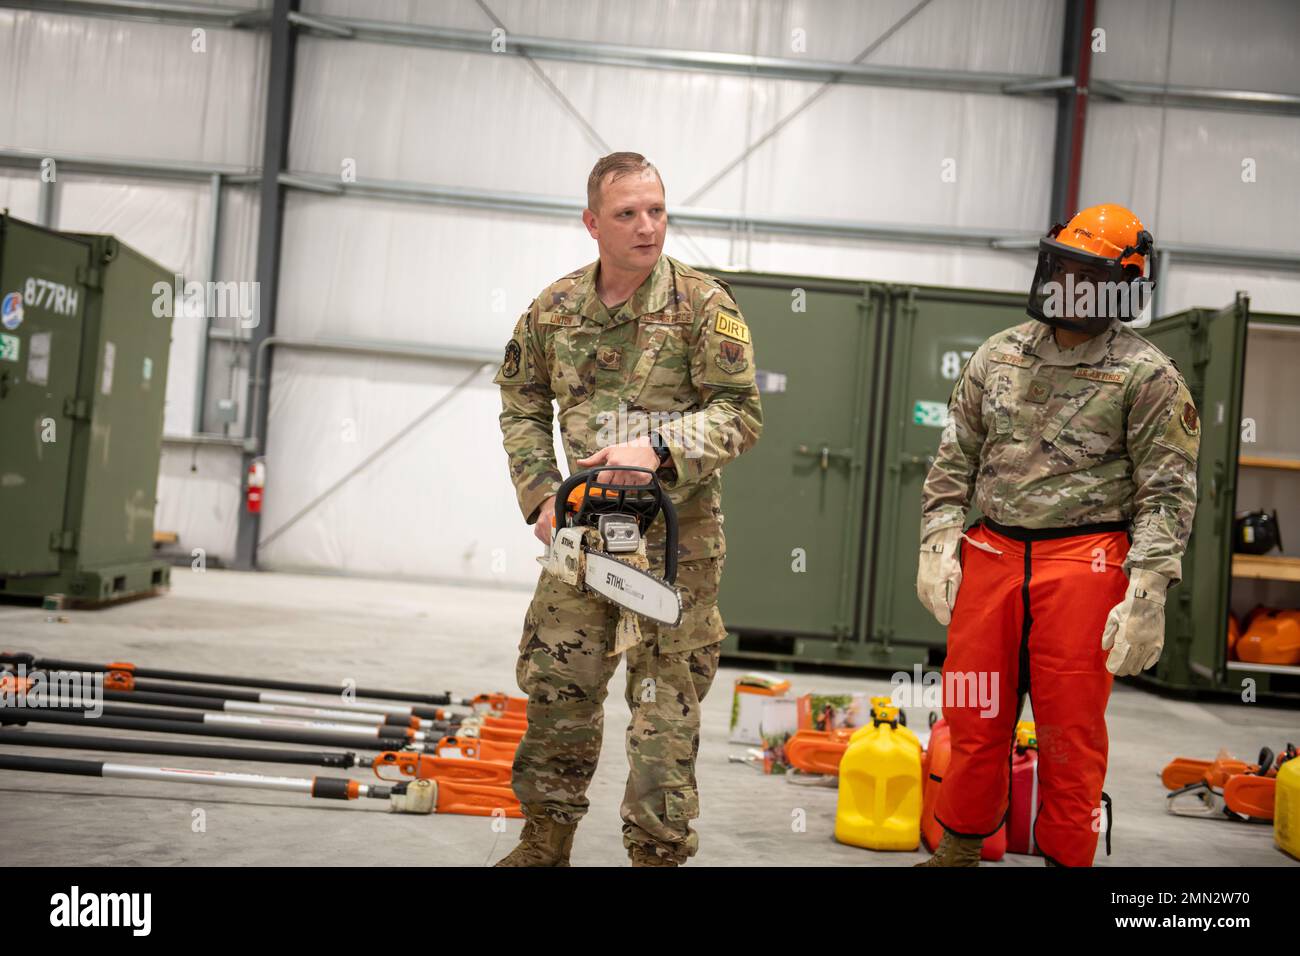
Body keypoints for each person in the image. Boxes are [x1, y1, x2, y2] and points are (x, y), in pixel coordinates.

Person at [493, 152, 763, 866]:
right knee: (557, 687)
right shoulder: (553, 310)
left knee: (662, 709)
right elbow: (520, 401)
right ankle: (543, 844)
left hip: (676, 548)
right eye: (627, 214)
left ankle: (657, 855)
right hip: (580, 539)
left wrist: (660, 447)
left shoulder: (705, 306)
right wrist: (539, 492)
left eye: (658, 210)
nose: (648, 227)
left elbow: (742, 412)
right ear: (592, 223)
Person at [915, 204, 1200, 867]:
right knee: (971, 713)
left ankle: (1067, 858)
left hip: (1086, 560)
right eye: (1063, 266)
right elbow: (954, 457)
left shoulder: (1146, 375)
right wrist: (937, 539)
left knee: (1069, 731)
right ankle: (958, 848)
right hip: (990, 553)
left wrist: (1149, 586)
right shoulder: (1001, 353)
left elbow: (1168, 490)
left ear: (1125, 285)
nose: (1070, 283)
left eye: (1087, 272)